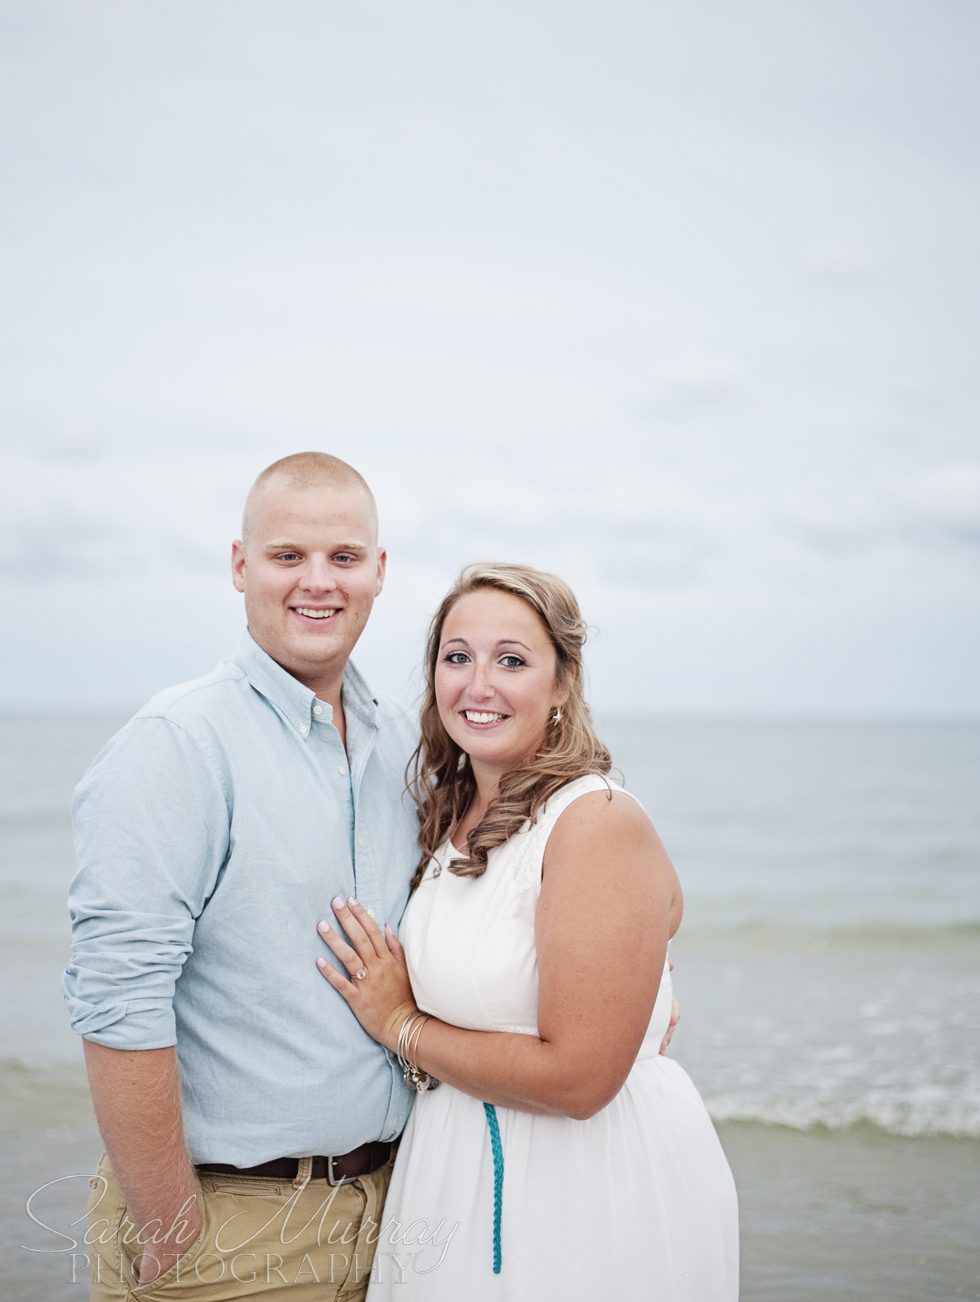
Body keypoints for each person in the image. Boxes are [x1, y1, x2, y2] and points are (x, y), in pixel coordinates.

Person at [315, 562, 739, 1300]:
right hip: (453, 1177)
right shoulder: (448, 816)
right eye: (457, 657)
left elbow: (580, 1079)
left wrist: (401, 1026)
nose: (478, 686)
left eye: (511, 660)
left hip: (582, 1193)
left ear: (563, 681)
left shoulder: (595, 822)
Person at [63, 453, 423, 1300]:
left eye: (342, 557)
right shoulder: (178, 745)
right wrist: (172, 1228)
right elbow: (117, 995)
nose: (317, 584)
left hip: (398, 1217)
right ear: (240, 566)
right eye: (287, 556)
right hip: (230, 1230)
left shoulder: (403, 743)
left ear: (379, 571)